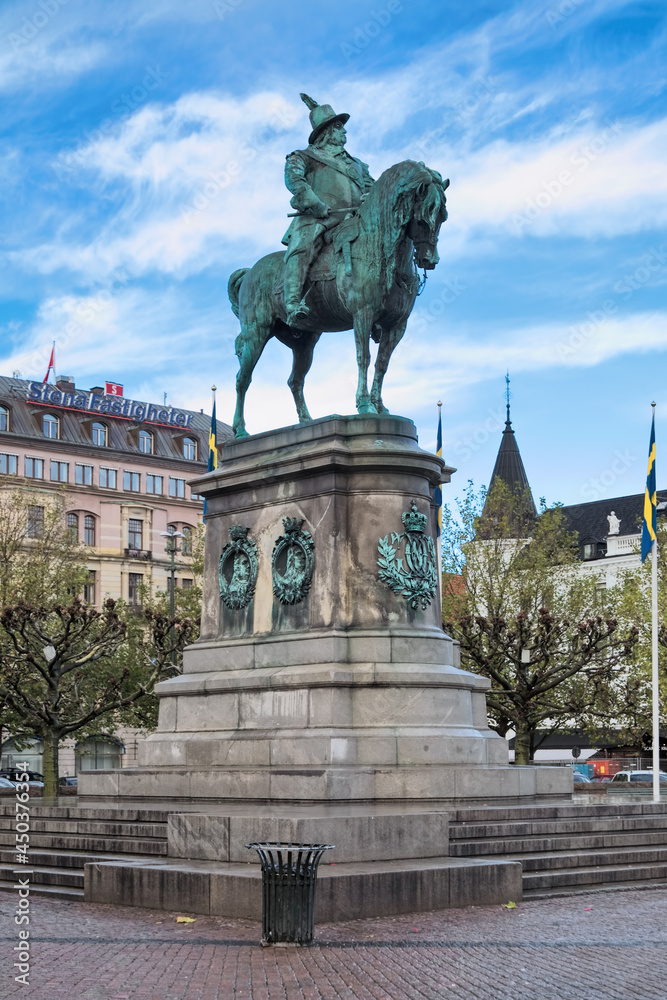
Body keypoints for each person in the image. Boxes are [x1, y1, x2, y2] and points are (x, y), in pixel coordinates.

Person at [282, 93, 374, 328]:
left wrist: (370, 198)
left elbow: (373, 188)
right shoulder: (305, 156)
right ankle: (292, 302)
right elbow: (295, 180)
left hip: (353, 220)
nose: (344, 132)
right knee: (302, 247)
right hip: (320, 217)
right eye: (339, 128)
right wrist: (314, 203)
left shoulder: (358, 165)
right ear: (327, 133)